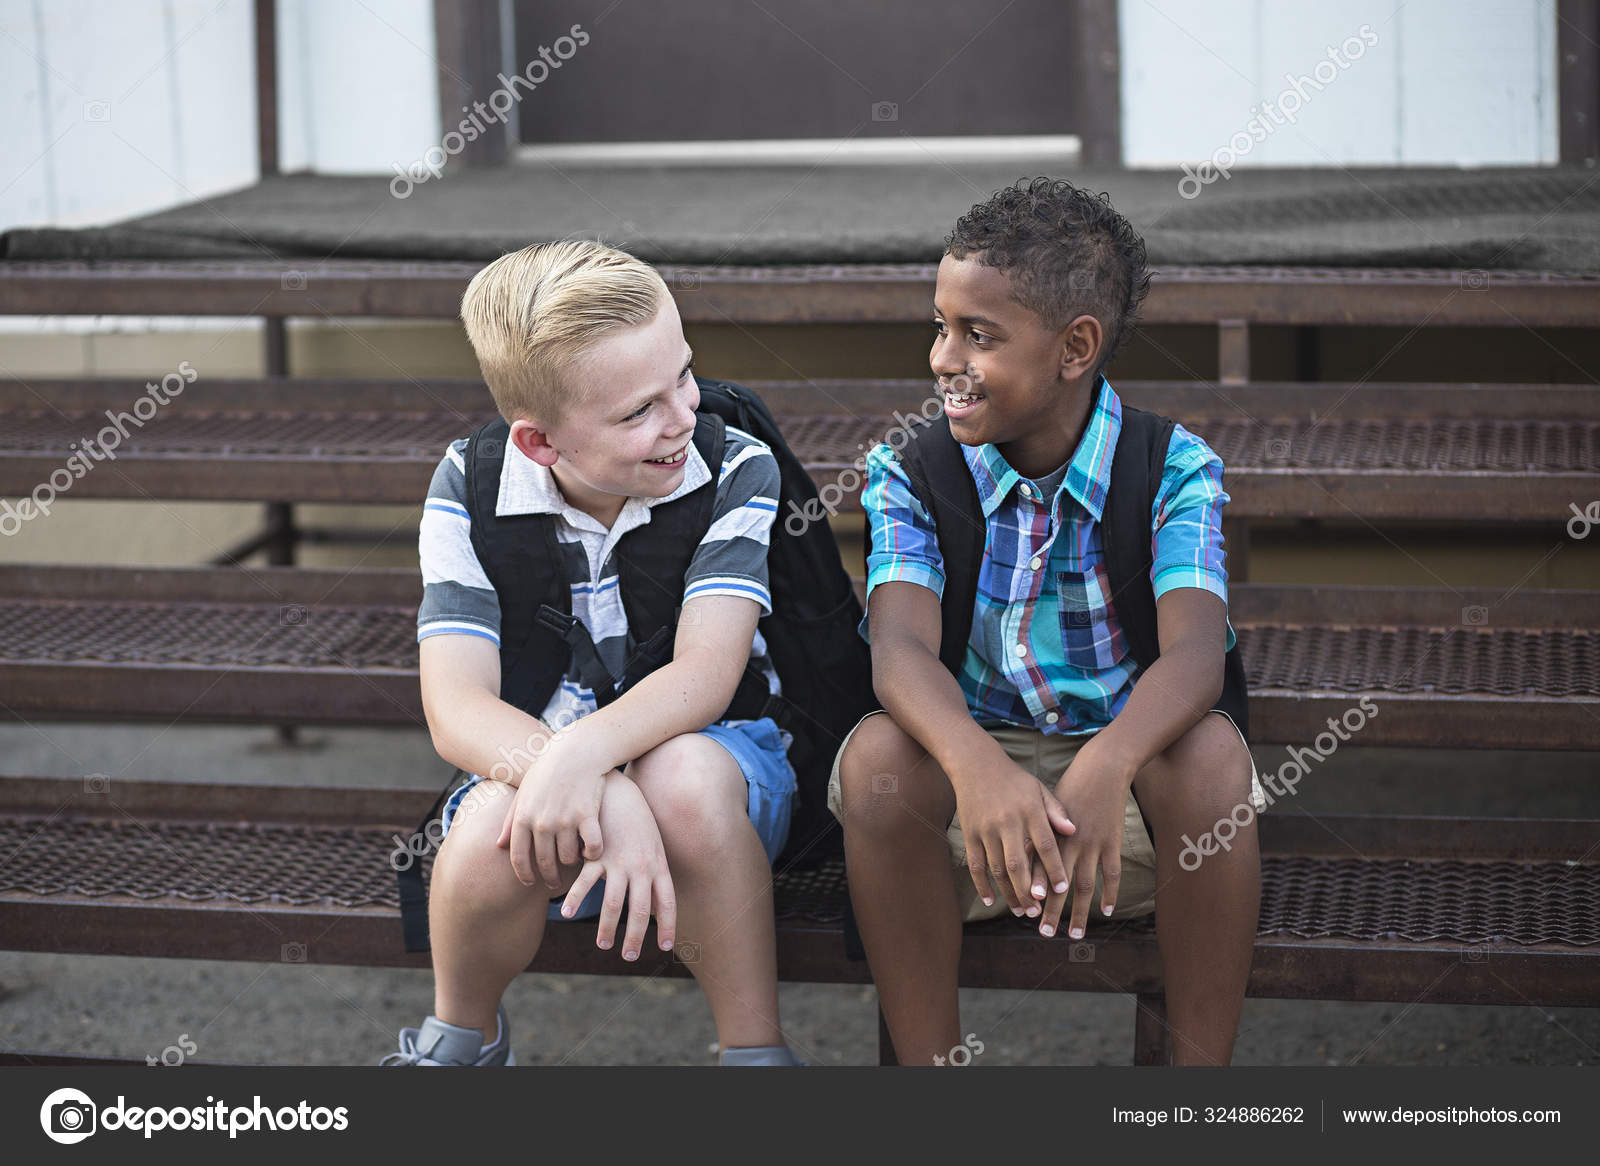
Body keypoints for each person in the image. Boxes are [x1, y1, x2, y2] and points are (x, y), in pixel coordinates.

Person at [830, 177, 1267, 1066]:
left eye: (978, 335)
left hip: (1124, 817)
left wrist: (1109, 763)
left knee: (1212, 759)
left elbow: (1193, 659)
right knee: (880, 758)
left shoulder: (1173, 469)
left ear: (1075, 348)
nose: (943, 358)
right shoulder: (909, 471)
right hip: (961, 810)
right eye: (941, 326)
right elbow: (900, 648)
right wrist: (977, 767)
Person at [382, 240, 800, 1067]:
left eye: (683, 375)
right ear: (540, 444)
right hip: (540, 780)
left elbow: (706, 678)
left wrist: (588, 761)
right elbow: (456, 707)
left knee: (679, 779)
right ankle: (458, 1043)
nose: (683, 414)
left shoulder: (732, 468)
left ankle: (756, 1056)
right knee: (486, 825)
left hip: (721, 769)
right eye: (637, 410)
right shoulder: (469, 484)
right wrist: (593, 782)